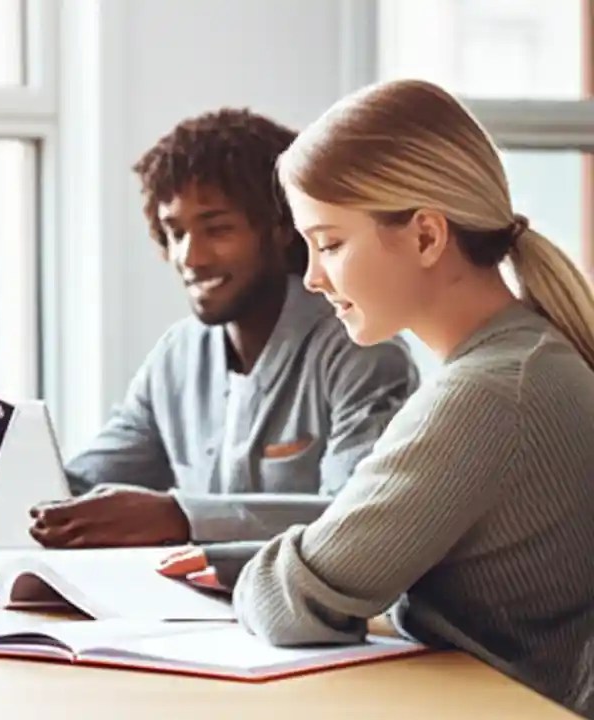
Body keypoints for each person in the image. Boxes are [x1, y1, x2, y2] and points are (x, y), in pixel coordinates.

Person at [163, 79, 594, 717]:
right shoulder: (521, 358)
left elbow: (290, 605)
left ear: (425, 237)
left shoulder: (490, 393)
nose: (312, 277)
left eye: (330, 243)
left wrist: (280, 572)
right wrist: (257, 562)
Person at [30, 109, 418, 548]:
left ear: (281, 228)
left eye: (217, 229)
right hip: (190, 611)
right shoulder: (177, 355)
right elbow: (80, 485)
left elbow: (359, 520)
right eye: (175, 233)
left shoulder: (361, 351)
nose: (190, 257)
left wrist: (183, 518)